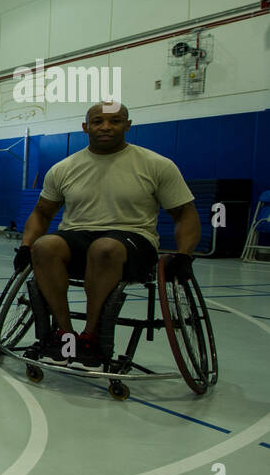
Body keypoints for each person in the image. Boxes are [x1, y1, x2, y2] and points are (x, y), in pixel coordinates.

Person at [16, 102, 198, 367]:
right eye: (98, 121)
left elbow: (185, 213)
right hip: (78, 235)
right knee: (44, 247)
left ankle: (92, 336)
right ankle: (65, 334)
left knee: (104, 248)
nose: (105, 127)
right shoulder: (64, 168)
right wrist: (26, 245)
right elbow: (42, 214)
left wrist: (184, 255)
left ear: (128, 125)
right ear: (85, 127)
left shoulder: (157, 165)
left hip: (132, 240)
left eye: (115, 121)